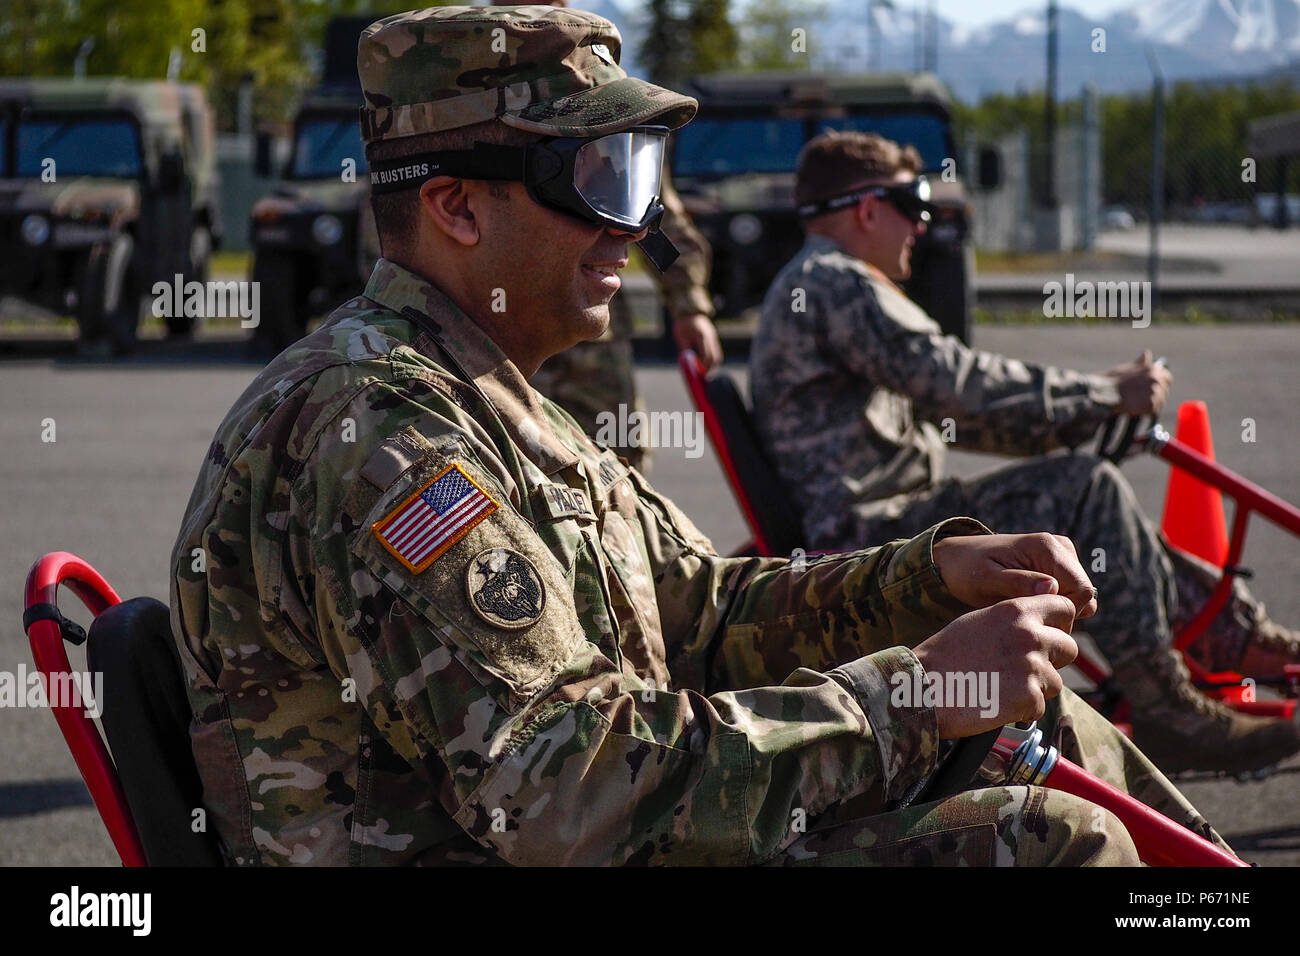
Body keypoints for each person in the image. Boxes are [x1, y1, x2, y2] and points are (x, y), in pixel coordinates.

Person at [171, 5, 1231, 866]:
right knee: (1045, 836)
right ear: (455, 206)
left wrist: (928, 578)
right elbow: (560, 793)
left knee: (1057, 730)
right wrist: (916, 690)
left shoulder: (502, 402)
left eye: (636, 176)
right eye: (599, 180)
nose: (636, 228)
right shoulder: (380, 435)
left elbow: (704, 613)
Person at [750, 129, 1300, 774]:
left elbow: (961, 415)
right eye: (913, 205)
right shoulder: (834, 281)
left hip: (882, 524)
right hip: (871, 536)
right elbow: (960, 383)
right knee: (1083, 488)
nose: (921, 227)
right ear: (867, 209)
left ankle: (1236, 637)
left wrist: (1083, 417)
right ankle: (1170, 710)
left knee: (1082, 486)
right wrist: (1101, 392)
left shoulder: (817, 285)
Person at [502, 0, 722, 473]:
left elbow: (656, 217)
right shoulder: (461, 93)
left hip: (587, 338)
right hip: (489, 332)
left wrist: (690, 305)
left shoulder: (601, 96)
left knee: (613, 471)